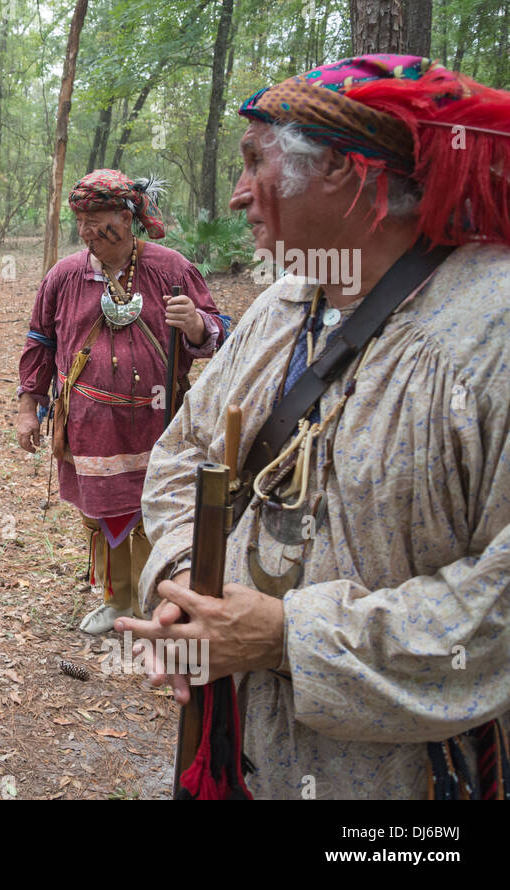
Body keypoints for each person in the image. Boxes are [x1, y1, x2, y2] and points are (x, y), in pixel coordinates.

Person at [121, 55, 510, 798]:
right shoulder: (281, 306)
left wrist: (287, 637)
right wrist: (183, 585)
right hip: (245, 743)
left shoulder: (491, 330)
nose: (238, 196)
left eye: (254, 163)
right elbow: (182, 456)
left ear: (342, 167)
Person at [16, 170, 225, 635]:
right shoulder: (66, 275)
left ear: (128, 217)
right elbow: (40, 341)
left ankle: (154, 600)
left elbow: (218, 331)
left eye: (99, 218)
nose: (89, 230)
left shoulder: (170, 269)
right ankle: (117, 599)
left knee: (157, 510)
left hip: (159, 420)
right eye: (82, 219)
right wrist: (29, 406)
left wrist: (193, 324)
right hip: (88, 421)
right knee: (101, 511)